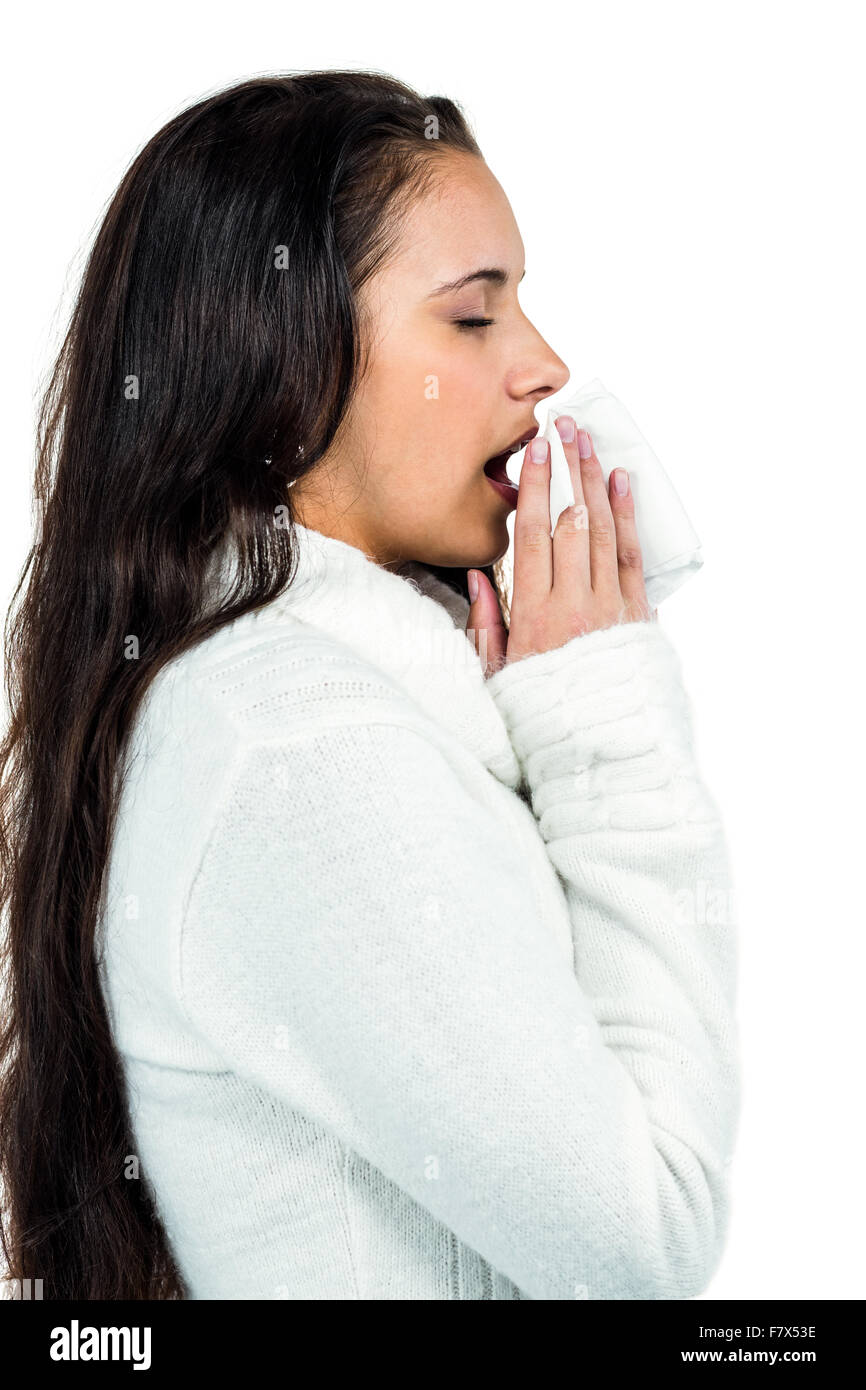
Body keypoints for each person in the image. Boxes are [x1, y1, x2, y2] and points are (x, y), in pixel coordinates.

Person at [0, 70, 740, 1300]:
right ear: (283, 361)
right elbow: (639, 1242)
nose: (546, 366)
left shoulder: (270, 706)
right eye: (470, 317)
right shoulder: (301, 747)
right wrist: (604, 727)